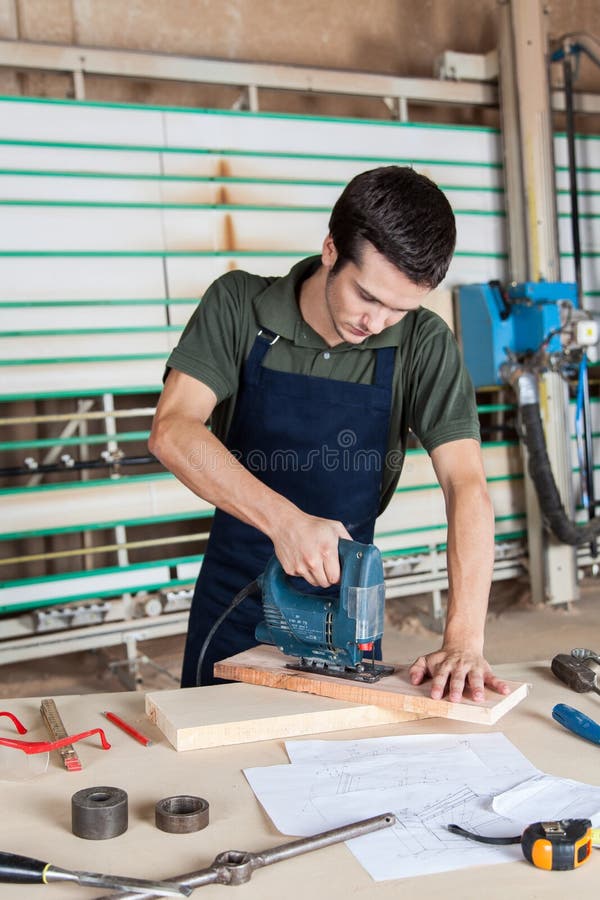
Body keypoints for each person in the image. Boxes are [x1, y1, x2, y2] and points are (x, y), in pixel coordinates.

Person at [149, 165, 510, 703]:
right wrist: (287, 524)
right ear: (331, 249)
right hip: (233, 590)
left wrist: (463, 638)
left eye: (400, 308)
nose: (377, 321)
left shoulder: (423, 342)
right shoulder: (239, 306)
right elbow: (173, 430)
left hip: (346, 606)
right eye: (367, 296)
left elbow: (466, 486)